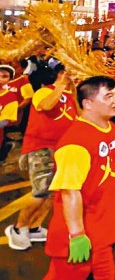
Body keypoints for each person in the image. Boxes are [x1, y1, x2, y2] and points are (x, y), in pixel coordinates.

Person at [27, 75, 115, 280]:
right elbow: (70, 192)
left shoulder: (111, 128)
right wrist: (77, 236)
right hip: (86, 237)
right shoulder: (76, 143)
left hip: (99, 228)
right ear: (88, 103)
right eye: (108, 96)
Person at [6, 64, 77, 251]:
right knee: (41, 190)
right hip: (41, 148)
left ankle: (34, 227)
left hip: (62, 149)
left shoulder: (72, 96)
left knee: (53, 192)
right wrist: (61, 85)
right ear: (61, 74)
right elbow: (45, 105)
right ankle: (18, 228)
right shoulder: (44, 91)